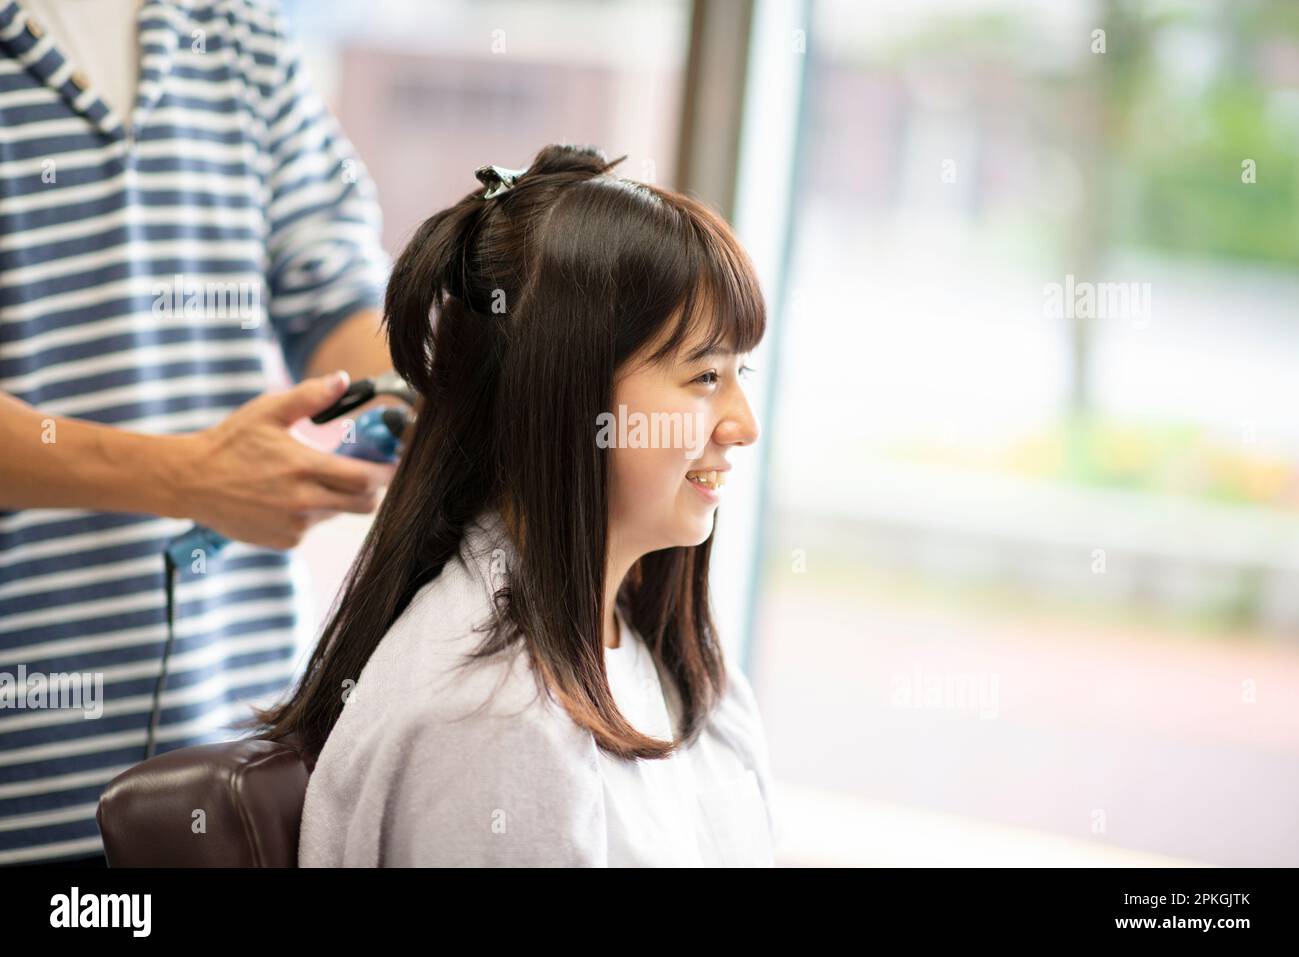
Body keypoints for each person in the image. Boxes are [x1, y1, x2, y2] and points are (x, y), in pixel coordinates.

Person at [252, 143, 782, 866]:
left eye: (739, 372)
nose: (743, 424)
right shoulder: (493, 721)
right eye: (705, 375)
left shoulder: (667, 660)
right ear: (568, 396)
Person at [0, 0, 395, 865]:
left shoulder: (239, 29)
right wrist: (188, 476)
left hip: (233, 760)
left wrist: (423, 394)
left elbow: (338, 300)